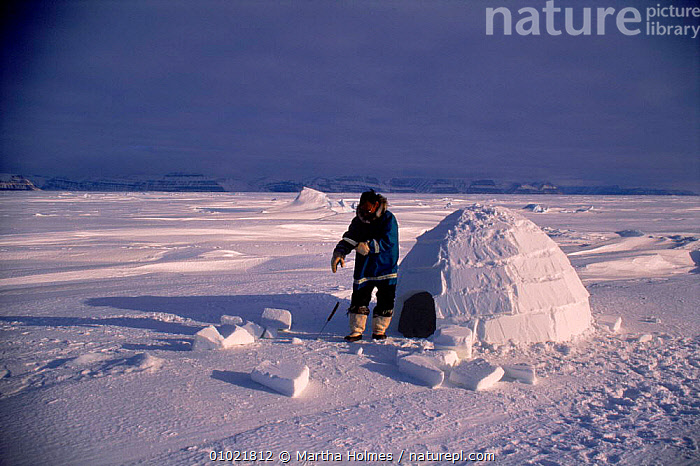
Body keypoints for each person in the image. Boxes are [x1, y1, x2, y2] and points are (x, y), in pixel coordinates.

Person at [331, 190, 399, 341]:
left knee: (385, 300)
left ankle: (379, 330)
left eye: (367, 209)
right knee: (359, 299)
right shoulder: (359, 220)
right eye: (362, 209)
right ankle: (356, 331)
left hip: (385, 267)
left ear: (376, 205)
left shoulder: (388, 219)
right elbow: (350, 238)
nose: (365, 213)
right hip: (365, 268)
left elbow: (389, 241)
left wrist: (368, 246)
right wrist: (339, 252)